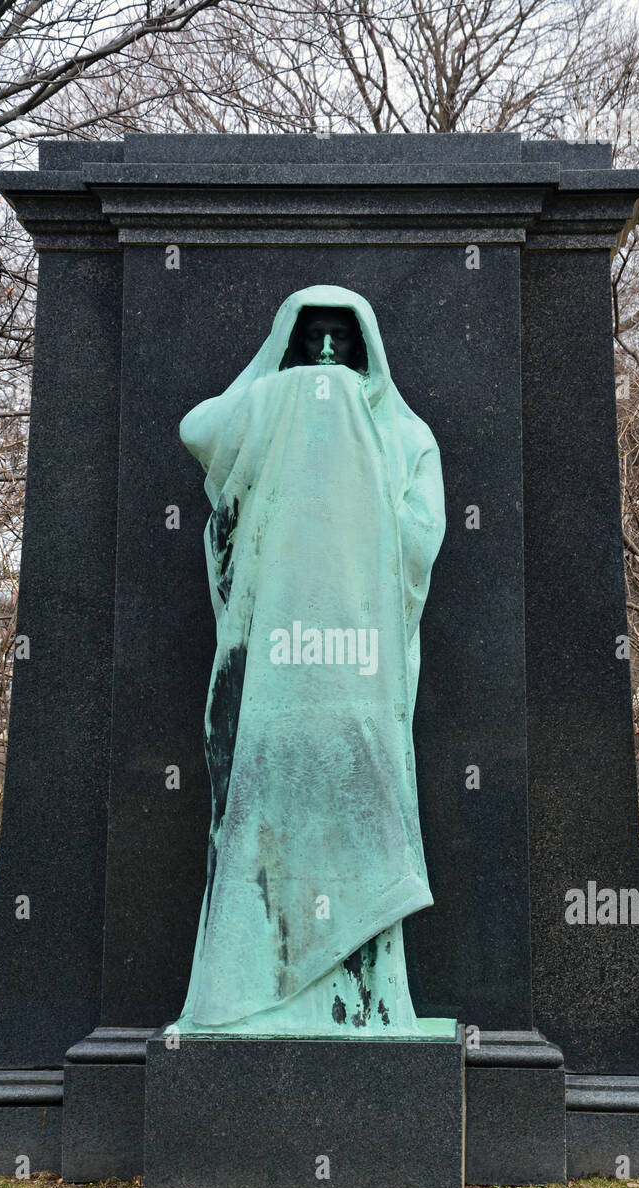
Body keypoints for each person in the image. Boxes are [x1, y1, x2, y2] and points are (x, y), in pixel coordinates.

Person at [170, 285, 450, 1037]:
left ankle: (368, 1006)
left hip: (359, 684)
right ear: (288, 346)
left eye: (342, 341)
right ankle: (248, 995)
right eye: (311, 340)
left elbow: (421, 542)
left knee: (365, 840)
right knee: (258, 838)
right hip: (274, 692)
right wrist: (278, 384)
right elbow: (199, 428)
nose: (327, 356)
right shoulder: (271, 411)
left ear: (367, 350)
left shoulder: (401, 436)